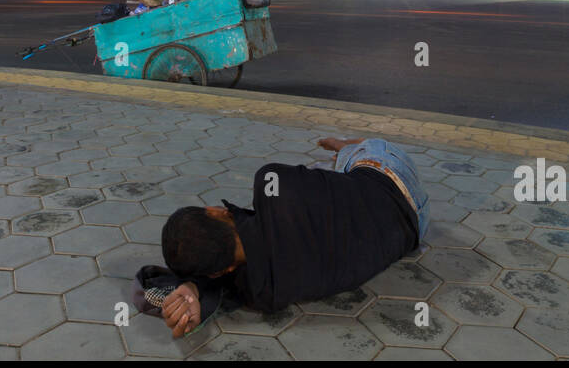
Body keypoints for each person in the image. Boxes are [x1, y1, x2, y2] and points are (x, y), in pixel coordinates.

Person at [157, 137, 430, 337]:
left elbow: (226, 280)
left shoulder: (263, 294)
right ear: (216, 212)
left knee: (329, 196)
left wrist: (194, 288)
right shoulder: (270, 182)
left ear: (220, 271)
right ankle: (349, 150)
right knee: (352, 160)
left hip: (415, 228)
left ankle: (344, 157)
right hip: (392, 176)